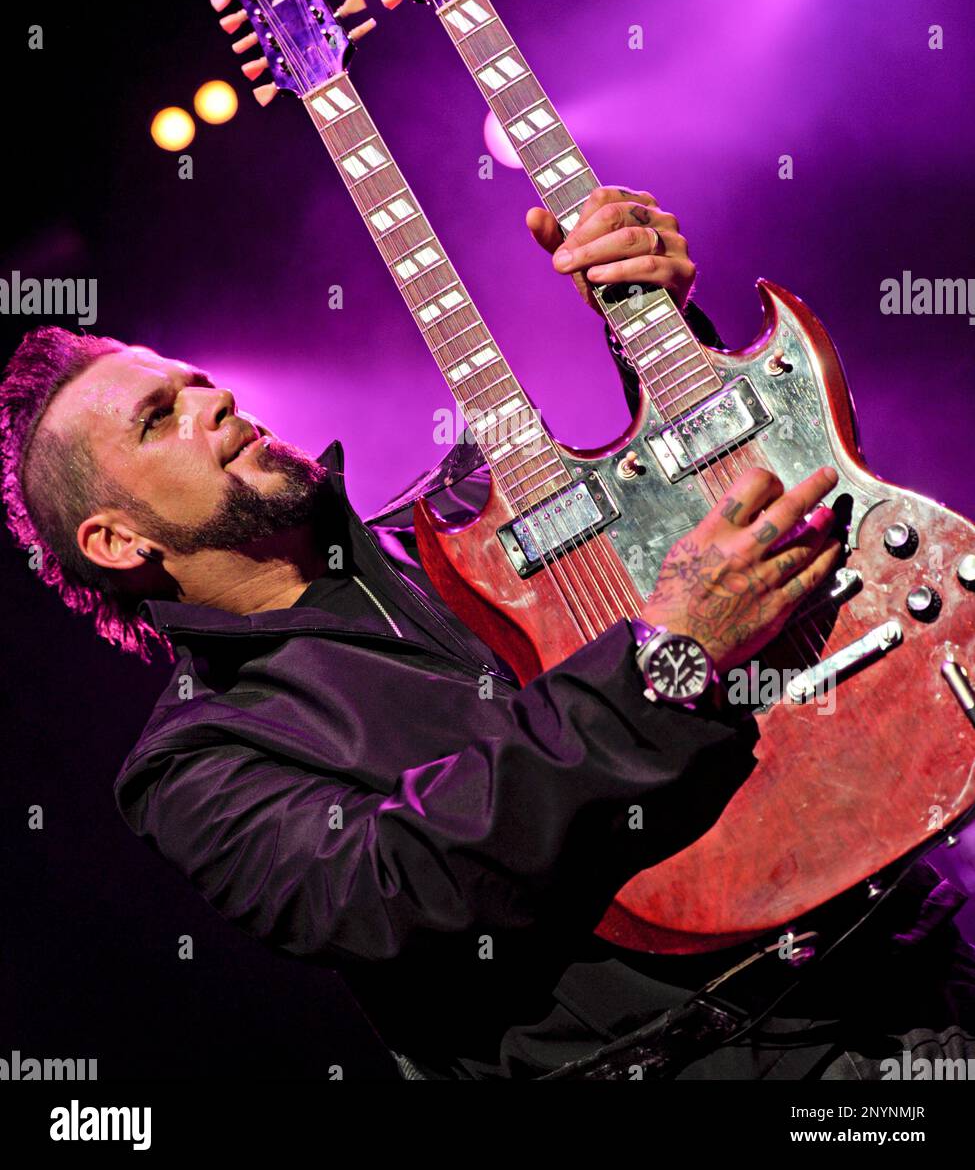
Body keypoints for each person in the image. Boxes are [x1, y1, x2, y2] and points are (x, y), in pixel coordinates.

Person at [1, 187, 971, 1080]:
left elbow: (725, 536)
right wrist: (660, 656)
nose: (211, 401)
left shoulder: (456, 522)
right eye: (159, 418)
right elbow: (402, 883)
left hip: (916, 952)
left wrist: (654, 326)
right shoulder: (195, 764)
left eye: (197, 381)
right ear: (115, 539)